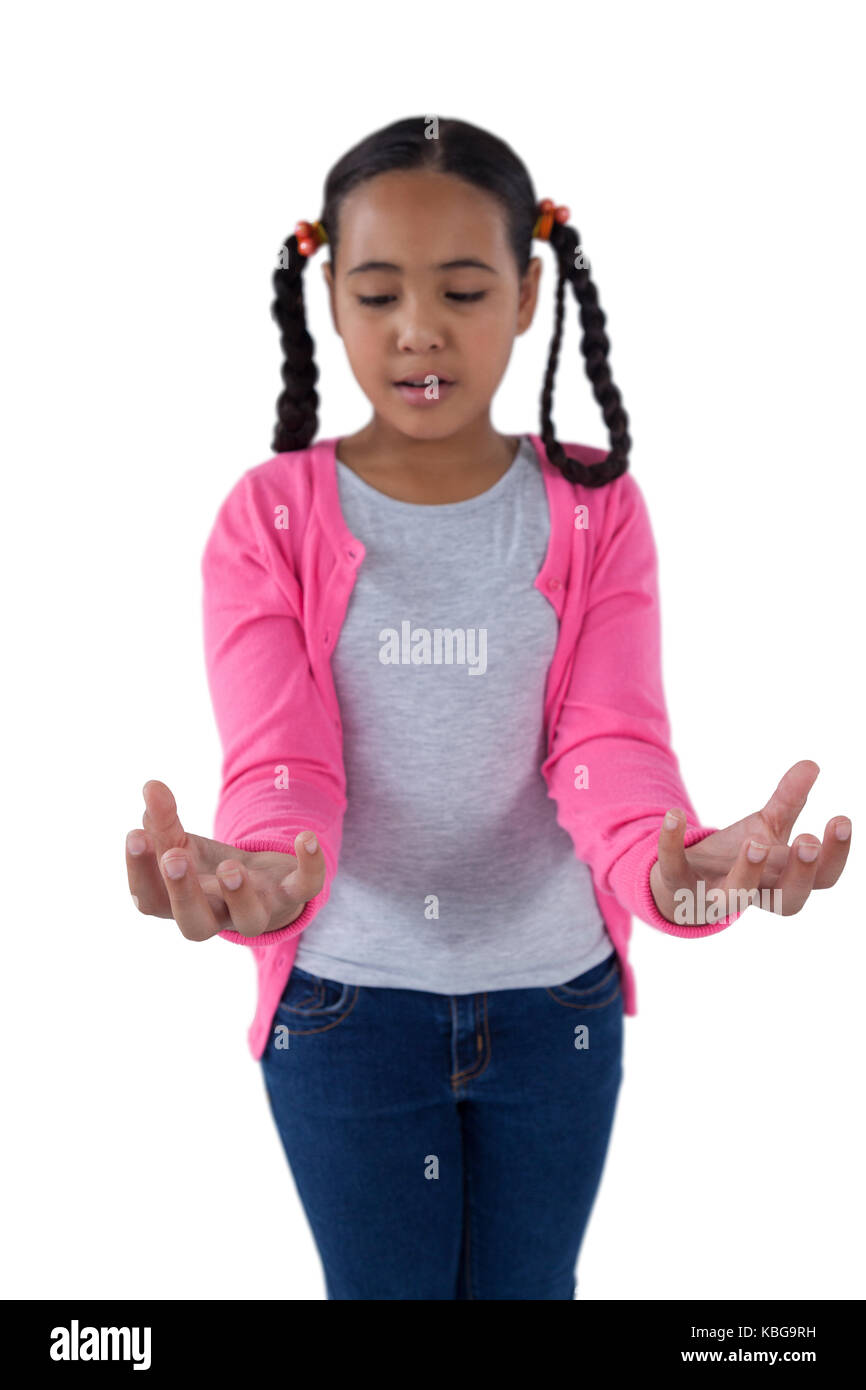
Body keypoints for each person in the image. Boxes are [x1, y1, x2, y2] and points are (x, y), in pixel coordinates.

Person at [125, 116, 851, 1300]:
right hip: (345, 1008)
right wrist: (264, 867)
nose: (418, 327)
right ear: (328, 296)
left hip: (555, 1005)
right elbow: (278, 758)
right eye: (376, 293)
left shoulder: (592, 507)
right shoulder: (267, 516)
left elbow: (611, 747)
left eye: (462, 288)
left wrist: (683, 876)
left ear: (524, 292)